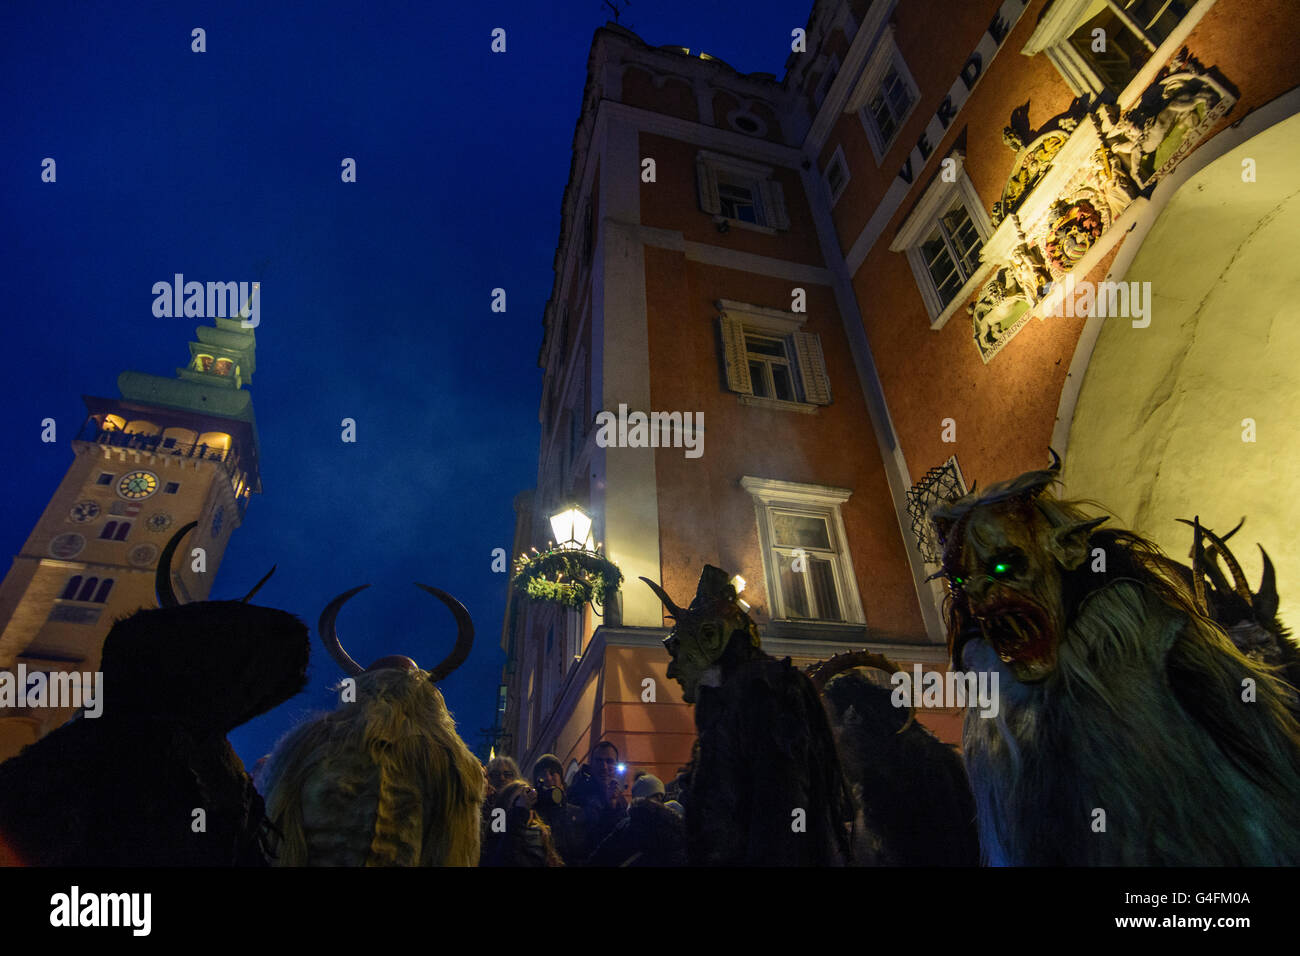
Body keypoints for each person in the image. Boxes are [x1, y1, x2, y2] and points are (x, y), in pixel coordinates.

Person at [585, 773, 687, 867]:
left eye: (661, 797)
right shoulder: (672, 824)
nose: (658, 802)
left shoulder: (626, 824)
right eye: (655, 797)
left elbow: (600, 856)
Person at [480, 780, 564, 867]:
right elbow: (508, 858)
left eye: (529, 797)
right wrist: (519, 812)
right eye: (519, 799)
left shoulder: (542, 834)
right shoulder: (498, 835)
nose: (526, 803)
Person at [566, 741, 628, 847]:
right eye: (599, 761)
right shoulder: (577, 793)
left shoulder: (620, 799)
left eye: (609, 761)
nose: (604, 767)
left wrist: (613, 806)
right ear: (591, 764)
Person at [531, 753, 589, 865]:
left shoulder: (576, 813)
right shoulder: (531, 815)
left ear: (562, 782)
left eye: (553, 773)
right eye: (542, 775)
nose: (548, 778)